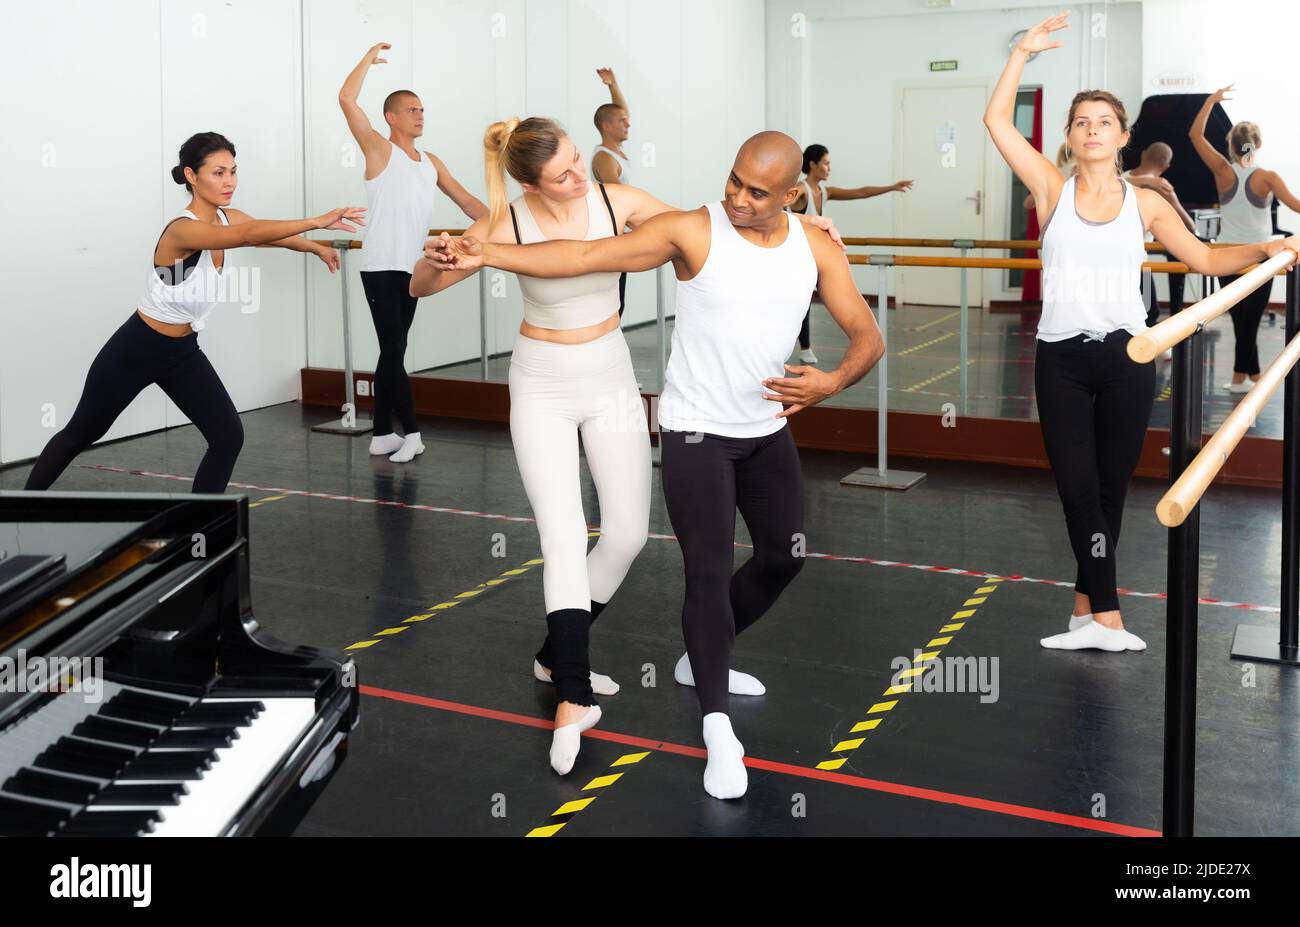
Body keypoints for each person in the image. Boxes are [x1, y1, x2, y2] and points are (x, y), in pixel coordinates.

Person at [427, 130, 885, 800]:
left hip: (764, 429)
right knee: (703, 571)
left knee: (785, 556)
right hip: (696, 432)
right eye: (732, 180)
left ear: (793, 194)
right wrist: (484, 250)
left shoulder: (813, 244)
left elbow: (866, 332)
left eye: (757, 192)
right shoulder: (692, 232)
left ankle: (705, 653)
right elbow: (584, 254)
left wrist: (831, 381)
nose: (736, 197)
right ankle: (717, 725)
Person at [984, 12, 1299, 653]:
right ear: (1069, 139)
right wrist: (1022, 53)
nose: (1092, 131)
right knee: (1077, 488)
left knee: (1109, 489)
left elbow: (1206, 261)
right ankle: (1108, 616)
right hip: (1062, 361)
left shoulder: (1146, 201)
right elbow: (996, 122)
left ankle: (1083, 613)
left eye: (1104, 122)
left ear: (1124, 136)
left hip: (1131, 356)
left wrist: (1266, 247)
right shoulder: (1051, 186)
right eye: (1081, 123)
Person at [24, 132, 361, 494]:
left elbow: (267, 235)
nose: (229, 181)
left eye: (232, 171)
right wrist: (316, 220)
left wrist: (313, 248)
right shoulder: (182, 230)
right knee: (81, 433)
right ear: (191, 175)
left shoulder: (226, 219)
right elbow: (249, 235)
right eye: (218, 173)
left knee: (227, 435)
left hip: (181, 353)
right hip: (135, 349)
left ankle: (200, 532)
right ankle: (17, 510)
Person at [339, 42, 488, 461]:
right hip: (381, 268)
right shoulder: (377, 149)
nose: (420, 116)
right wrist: (366, 59)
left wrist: (506, 221)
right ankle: (414, 434)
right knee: (392, 349)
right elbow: (346, 99)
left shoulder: (431, 162)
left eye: (422, 110)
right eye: (412, 110)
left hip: (416, 270)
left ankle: (383, 433)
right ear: (391, 117)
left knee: (394, 350)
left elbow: (468, 203)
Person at [1190, 85, 1300, 392]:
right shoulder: (1268, 177)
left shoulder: (1221, 170)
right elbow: (1295, 206)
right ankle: (1245, 376)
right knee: (1247, 319)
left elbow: (1195, 137)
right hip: (1260, 255)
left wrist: (1210, 101)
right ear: (1258, 144)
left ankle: (1249, 376)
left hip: (1227, 253)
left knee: (1243, 318)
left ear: (1231, 144)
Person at [789, 144, 911, 363]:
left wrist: (892, 187)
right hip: (796, 254)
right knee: (799, 302)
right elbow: (781, 200)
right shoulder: (800, 189)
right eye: (825, 163)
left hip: (813, 255)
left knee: (806, 299)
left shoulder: (824, 191)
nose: (829, 168)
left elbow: (861, 192)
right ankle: (804, 347)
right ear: (812, 165)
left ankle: (806, 347)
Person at [1123, 142, 1194, 329]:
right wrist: (1174, 200)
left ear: (1143, 153)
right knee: (1149, 312)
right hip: (1139, 264)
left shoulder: (1119, 178)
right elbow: (1189, 226)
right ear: (1166, 166)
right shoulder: (1161, 189)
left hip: (1112, 263)